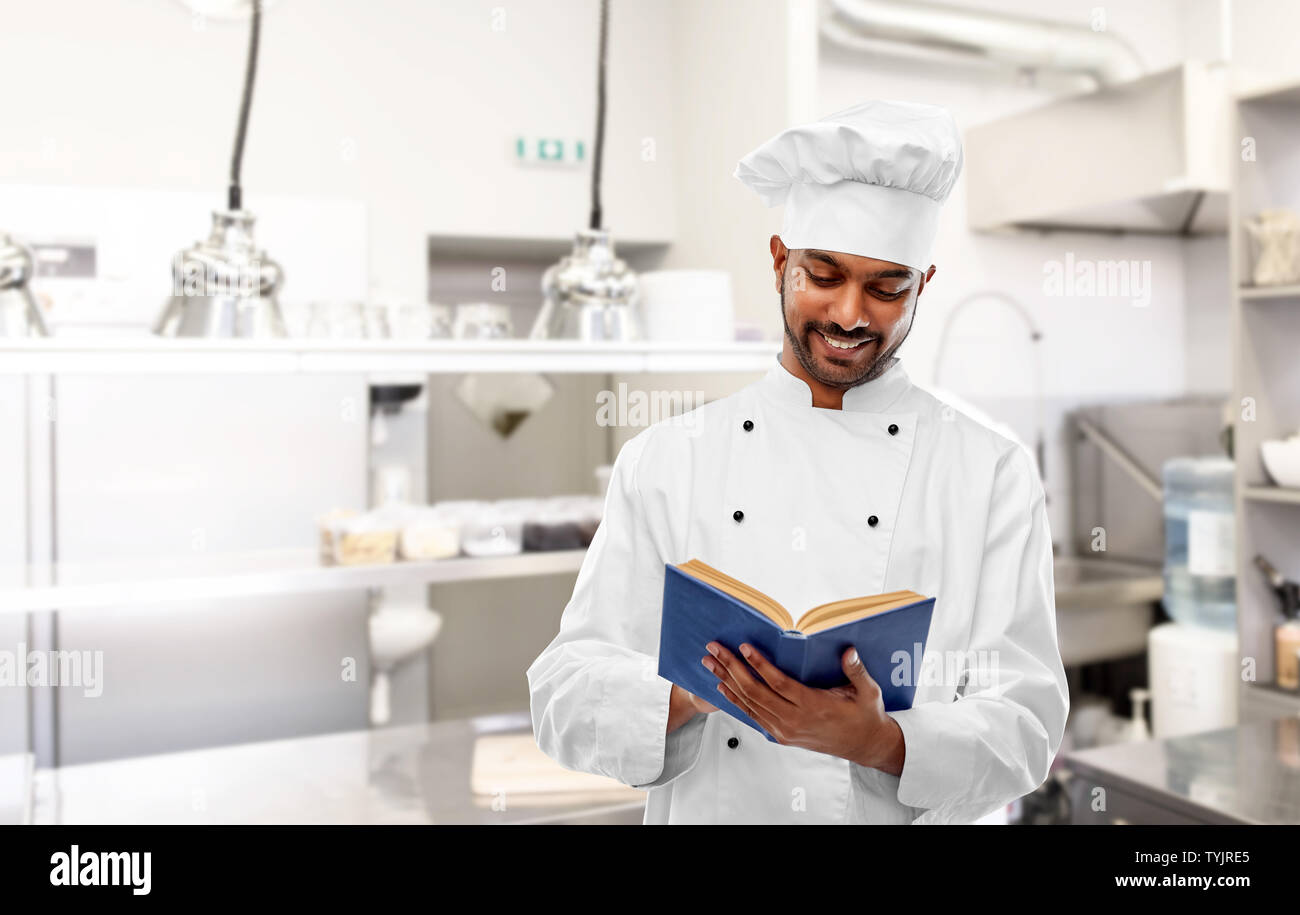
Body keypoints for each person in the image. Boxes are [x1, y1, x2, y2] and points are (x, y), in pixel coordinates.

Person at [527, 100, 1069, 824]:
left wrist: (885, 741)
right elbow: (561, 692)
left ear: (923, 285)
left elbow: (1027, 723)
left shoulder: (990, 473)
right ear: (780, 260)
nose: (850, 313)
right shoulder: (666, 460)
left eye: (886, 288)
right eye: (824, 274)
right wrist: (692, 689)